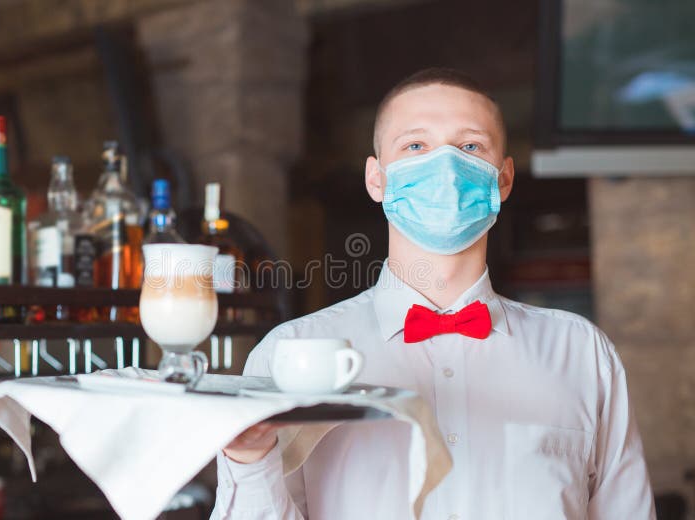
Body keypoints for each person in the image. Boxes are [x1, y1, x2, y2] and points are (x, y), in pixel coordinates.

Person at [210, 68, 655, 519]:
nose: (445, 167)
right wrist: (248, 460)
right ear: (376, 178)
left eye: (470, 147)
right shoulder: (289, 356)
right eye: (416, 146)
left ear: (502, 180)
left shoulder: (583, 354)